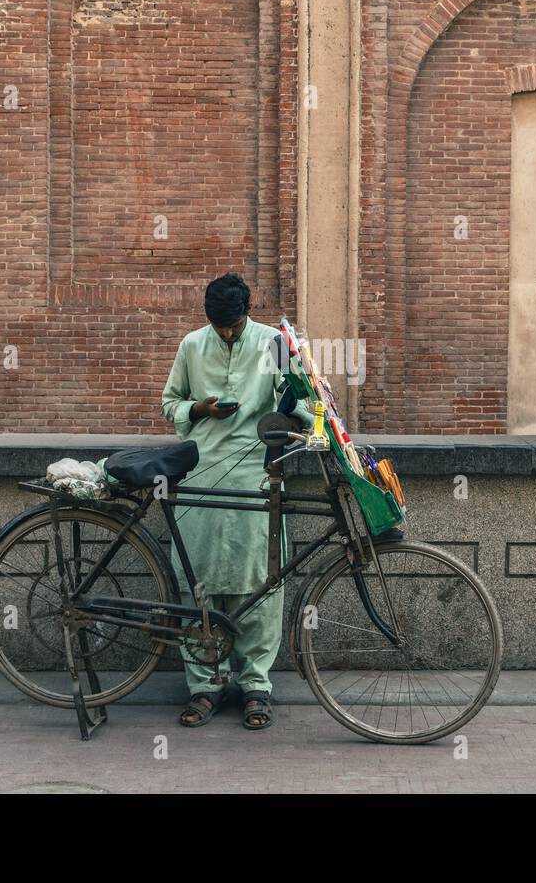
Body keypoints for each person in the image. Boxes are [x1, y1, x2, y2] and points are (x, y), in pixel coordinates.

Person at [160, 273, 311, 730]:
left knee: (259, 582)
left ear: (247, 313)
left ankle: (256, 685)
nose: (226, 334)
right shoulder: (191, 345)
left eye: (233, 326)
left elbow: (303, 401)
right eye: (219, 327)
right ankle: (205, 685)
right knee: (199, 581)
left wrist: (288, 414)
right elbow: (170, 403)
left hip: (256, 475)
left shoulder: (275, 343)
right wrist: (200, 409)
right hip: (201, 472)